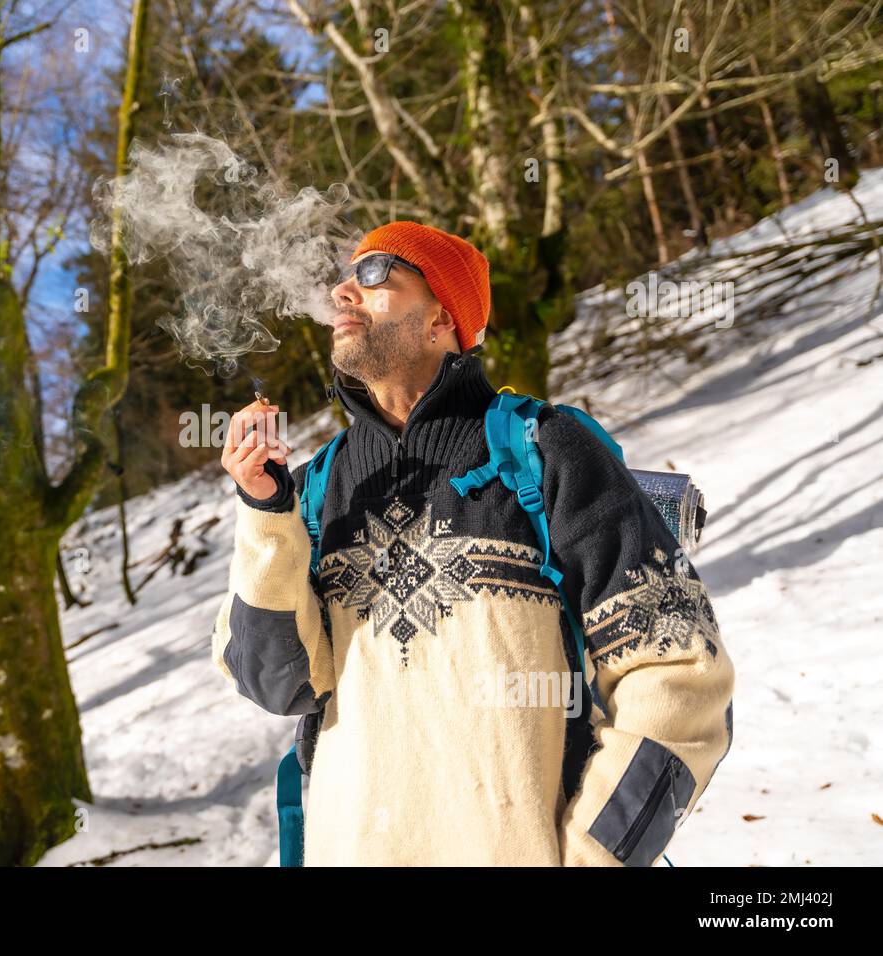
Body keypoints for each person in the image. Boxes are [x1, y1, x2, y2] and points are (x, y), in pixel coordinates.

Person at [212, 220, 735, 866]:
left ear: (441, 318)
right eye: (346, 277)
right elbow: (274, 684)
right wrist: (266, 514)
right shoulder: (314, 490)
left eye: (377, 276)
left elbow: (683, 671)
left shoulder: (548, 453)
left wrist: (593, 855)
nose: (345, 291)